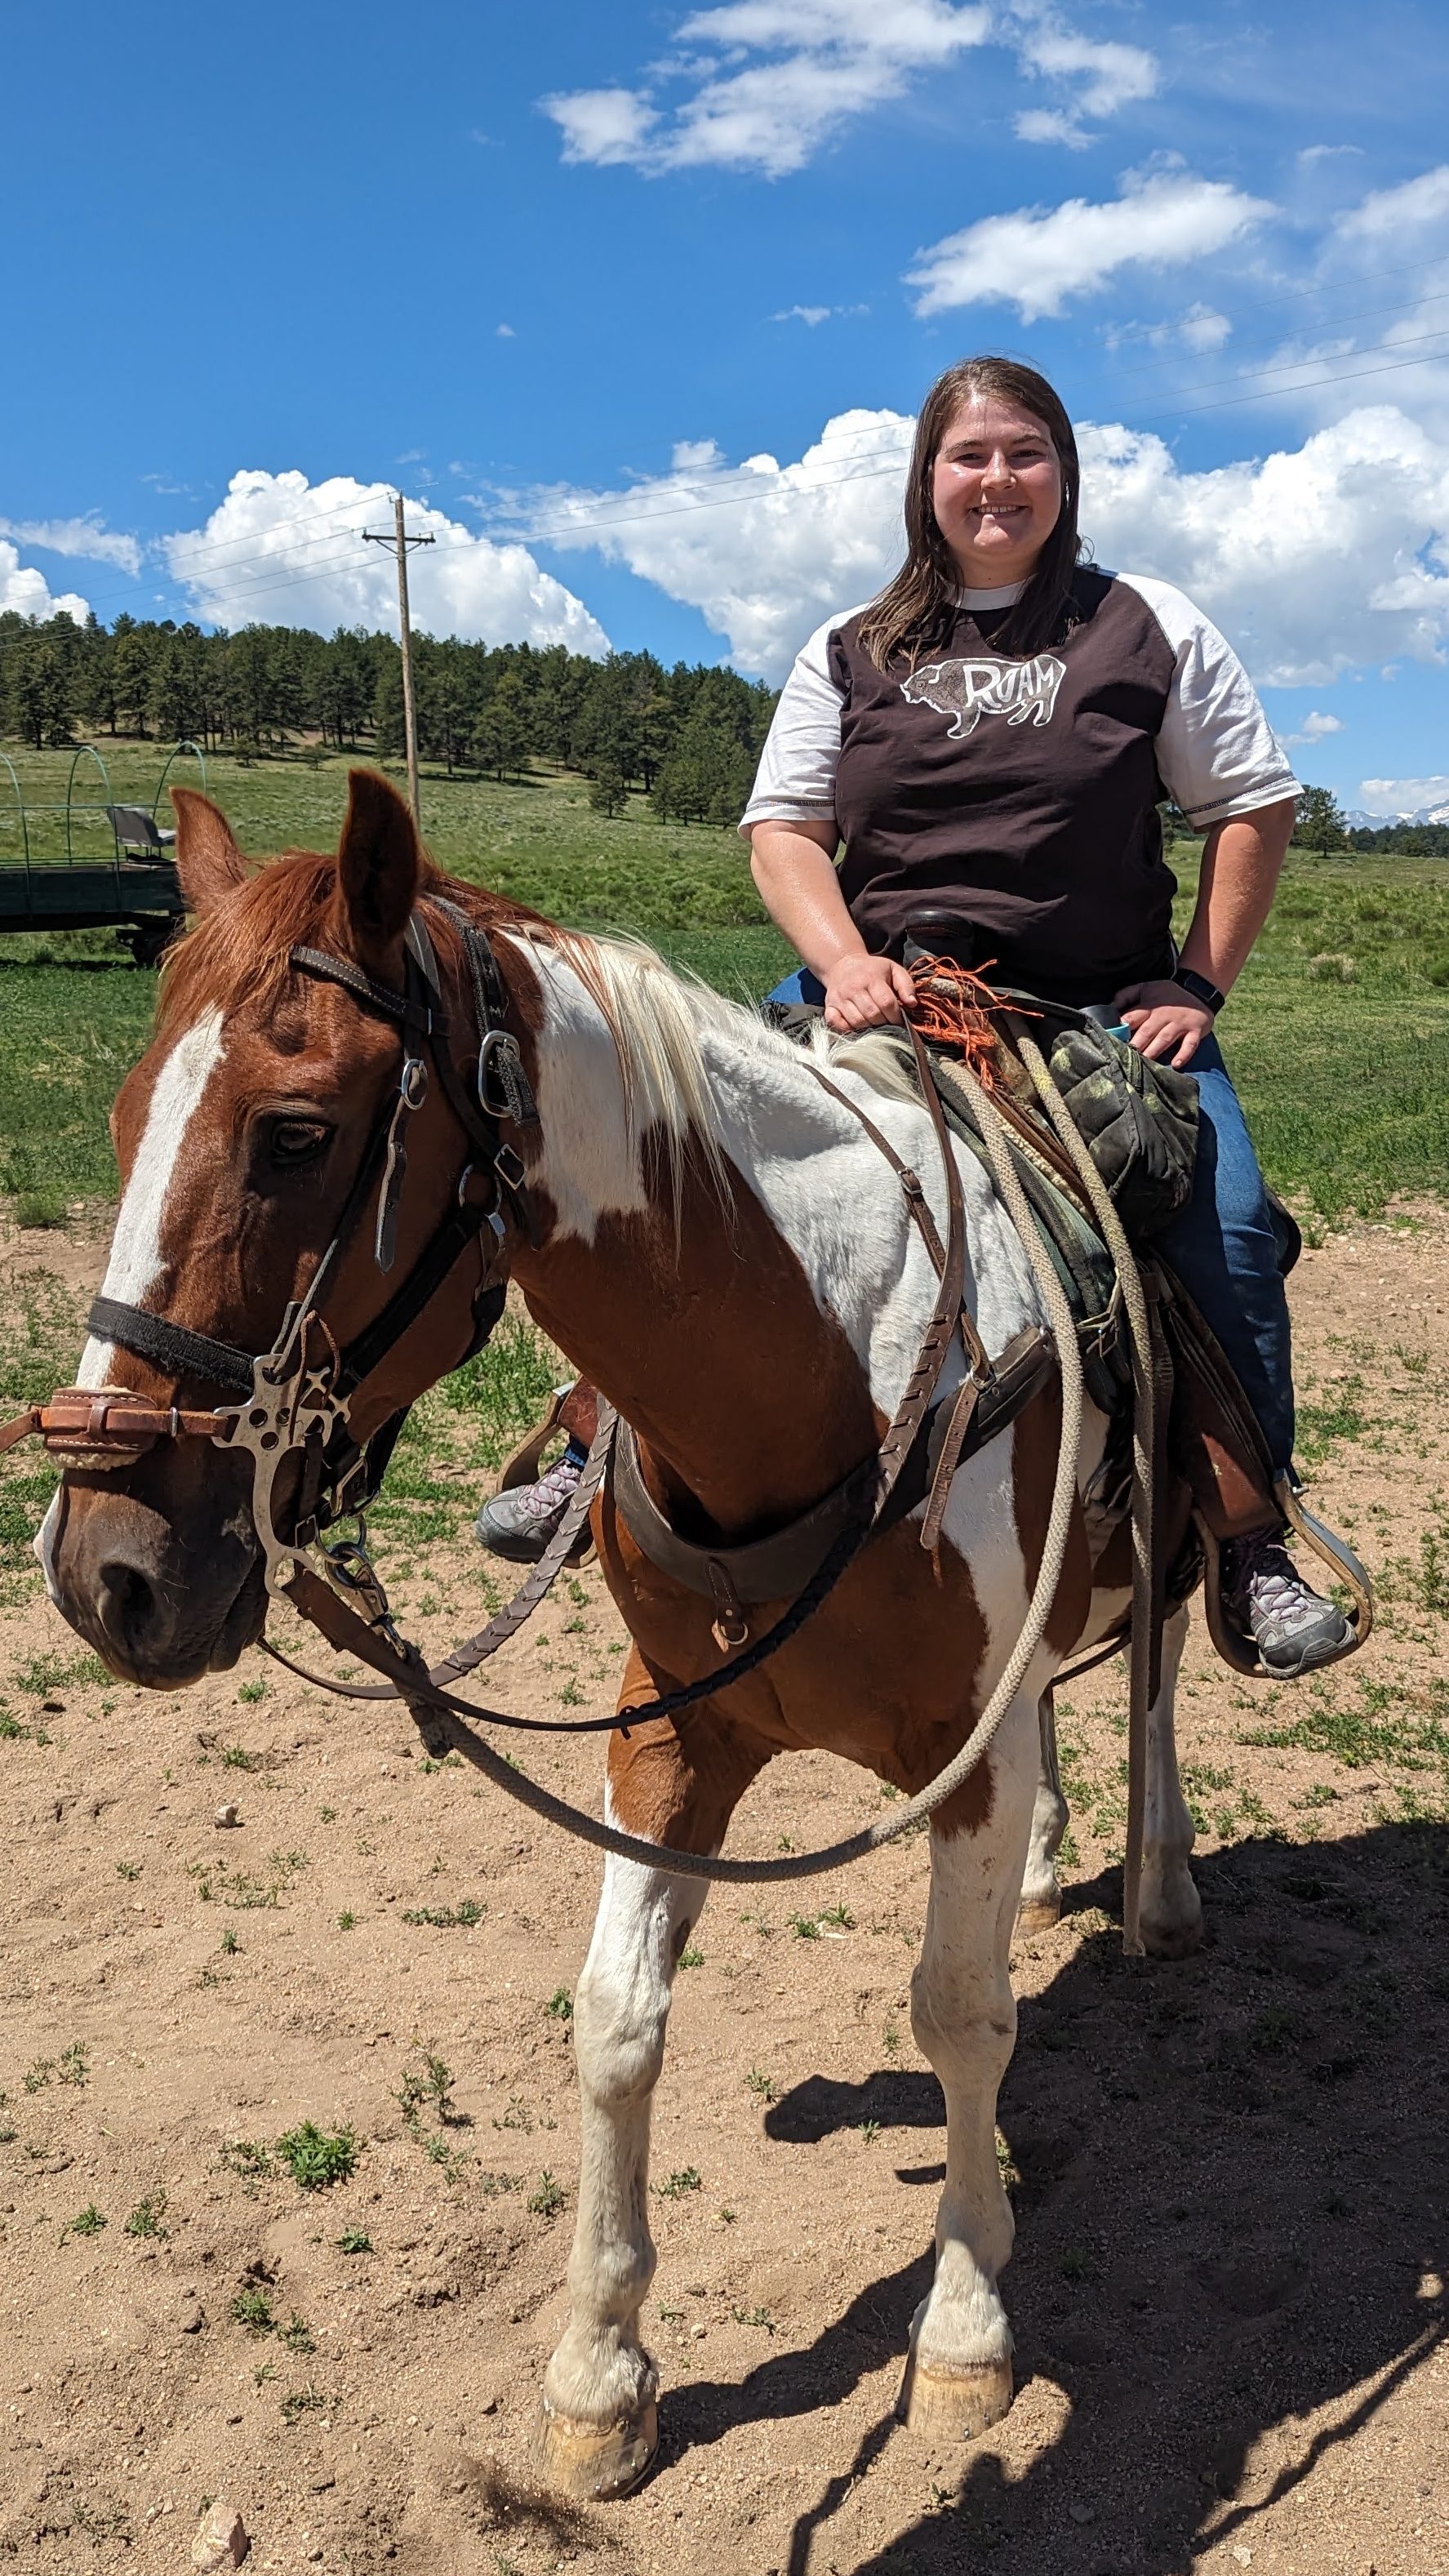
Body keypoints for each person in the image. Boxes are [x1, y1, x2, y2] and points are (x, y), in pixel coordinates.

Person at [478, 354, 1347, 1680]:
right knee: (682, 1172)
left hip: (1097, 1008)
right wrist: (838, 959)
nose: (997, 479)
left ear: (1065, 473)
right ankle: (599, 1438)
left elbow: (1252, 805)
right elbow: (786, 830)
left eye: (1026, 453)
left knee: (1222, 1223)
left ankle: (1248, 1537)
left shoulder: (1146, 622)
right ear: (924, 480)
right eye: (969, 455)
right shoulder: (852, 646)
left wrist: (1194, 984)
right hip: (889, 986)